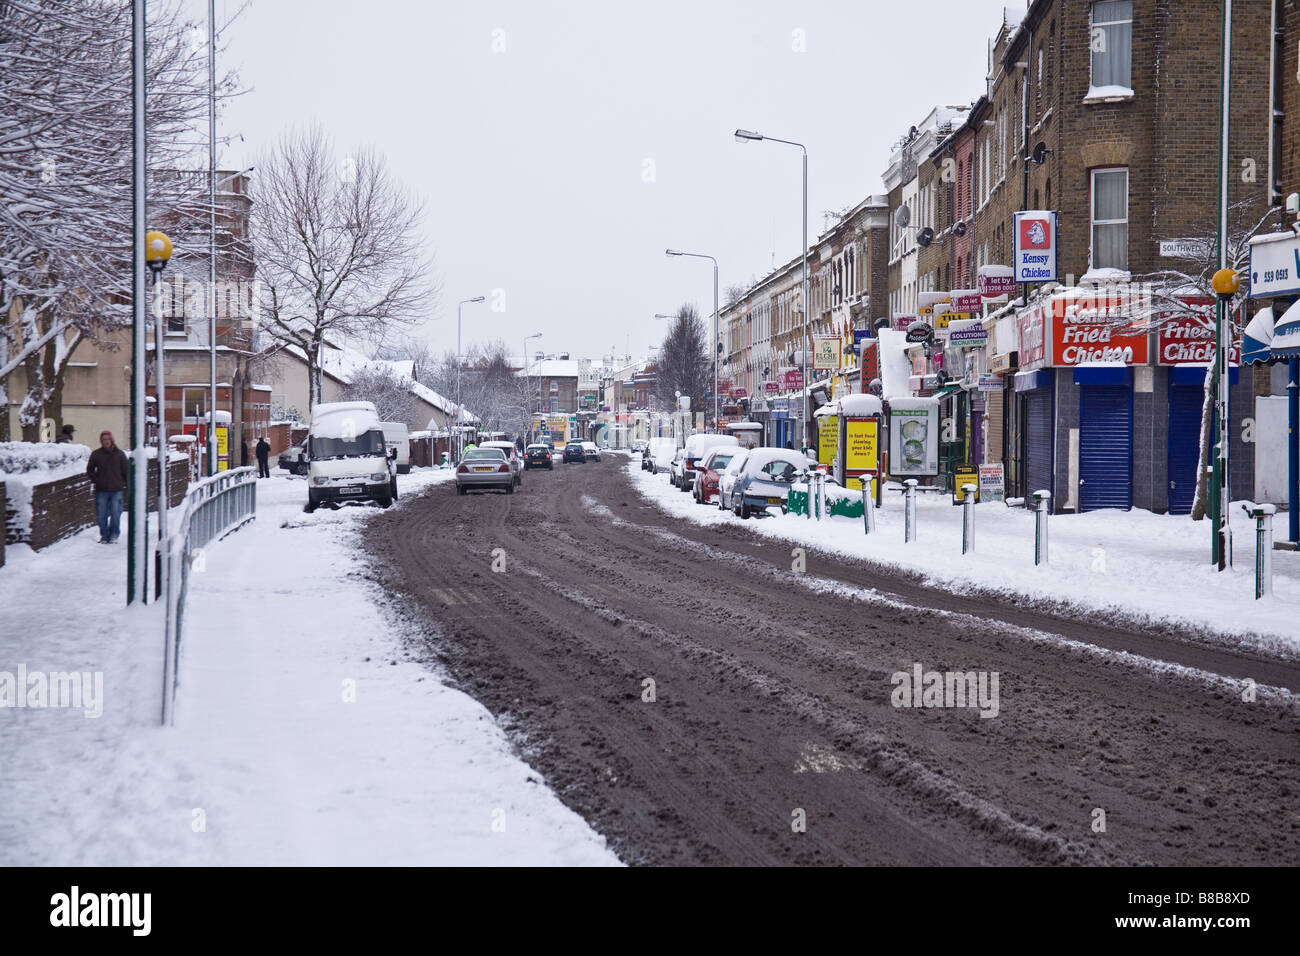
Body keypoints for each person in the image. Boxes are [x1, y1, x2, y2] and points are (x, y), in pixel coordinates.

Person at [86, 430, 129, 544]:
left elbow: (126, 471)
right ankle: (104, 535)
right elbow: (90, 470)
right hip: (101, 490)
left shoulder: (120, 454)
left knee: (116, 513)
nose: (106, 442)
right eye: (104, 440)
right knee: (101, 515)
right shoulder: (96, 454)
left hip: (116, 489)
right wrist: (97, 481)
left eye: (108, 439)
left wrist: (127, 486)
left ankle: (114, 534)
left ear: (112, 440)